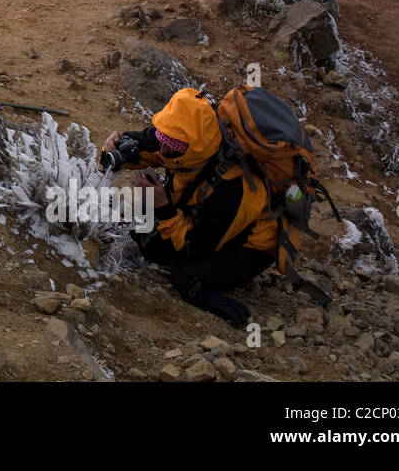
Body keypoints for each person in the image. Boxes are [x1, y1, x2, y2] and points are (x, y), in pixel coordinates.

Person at [102, 87, 277, 326]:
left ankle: (207, 292)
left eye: (171, 147)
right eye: (163, 140)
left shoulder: (231, 187)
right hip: (203, 214)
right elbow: (146, 145)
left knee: (184, 274)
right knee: (150, 242)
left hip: (251, 243)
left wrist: (164, 208)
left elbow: (198, 246)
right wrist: (115, 150)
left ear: (192, 148)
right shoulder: (182, 137)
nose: (163, 150)